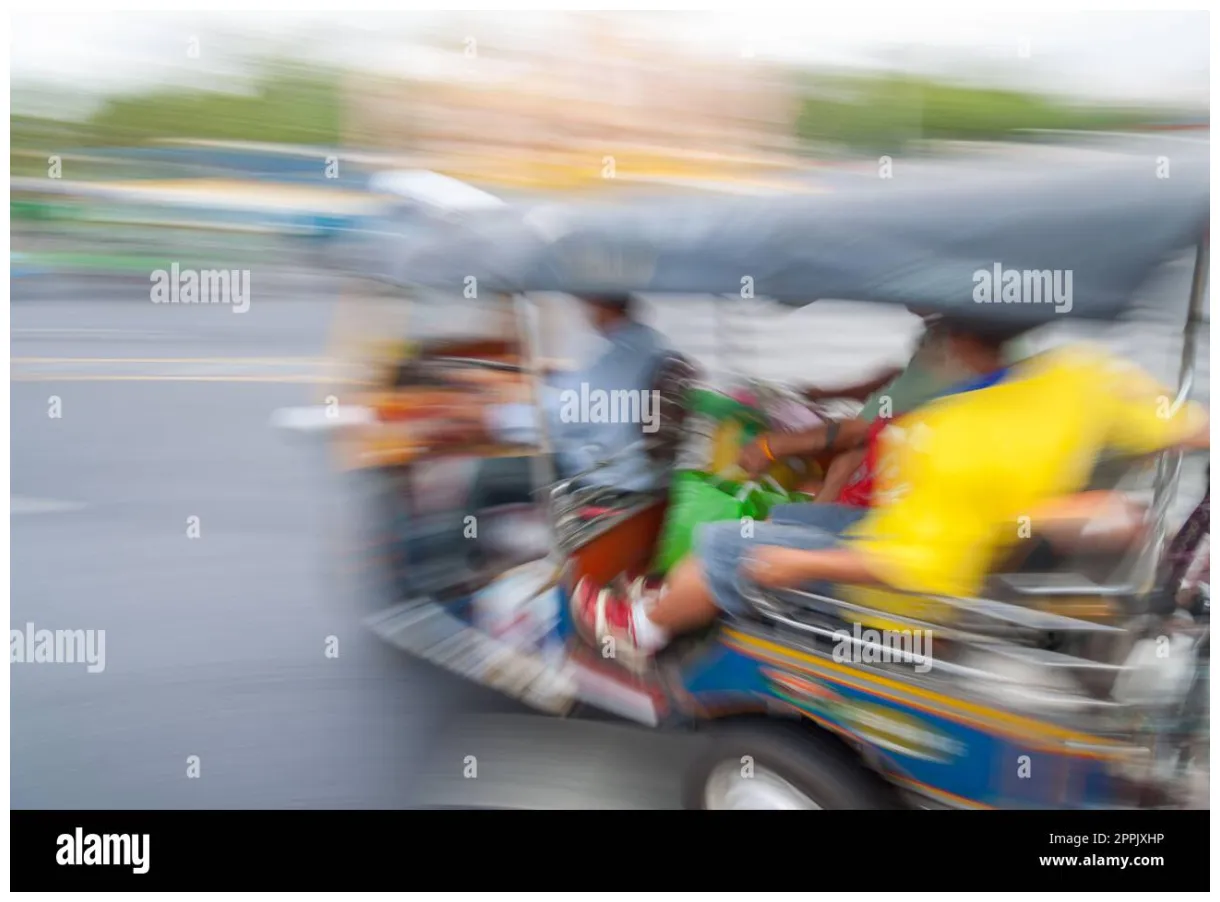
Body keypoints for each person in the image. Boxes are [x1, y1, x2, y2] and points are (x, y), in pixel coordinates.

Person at [572, 323, 1211, 667]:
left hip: (918, 604)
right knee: (788, 512)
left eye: (928, 334)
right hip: (974, 556)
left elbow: (918, 564)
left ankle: (646, 627)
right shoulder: (1080, 374)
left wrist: (802, 565)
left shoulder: (949, 431)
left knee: (723, 545)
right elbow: (1189, 425)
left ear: (952, 341)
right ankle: (668, 602)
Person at [737, 312, 972, 503]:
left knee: (848, 462)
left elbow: (859, 430)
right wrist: (830, 394)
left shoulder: (954, 343)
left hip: (936, 473)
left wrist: (771, 446)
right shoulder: (938, 332)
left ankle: (811, 538)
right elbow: (905, 376)